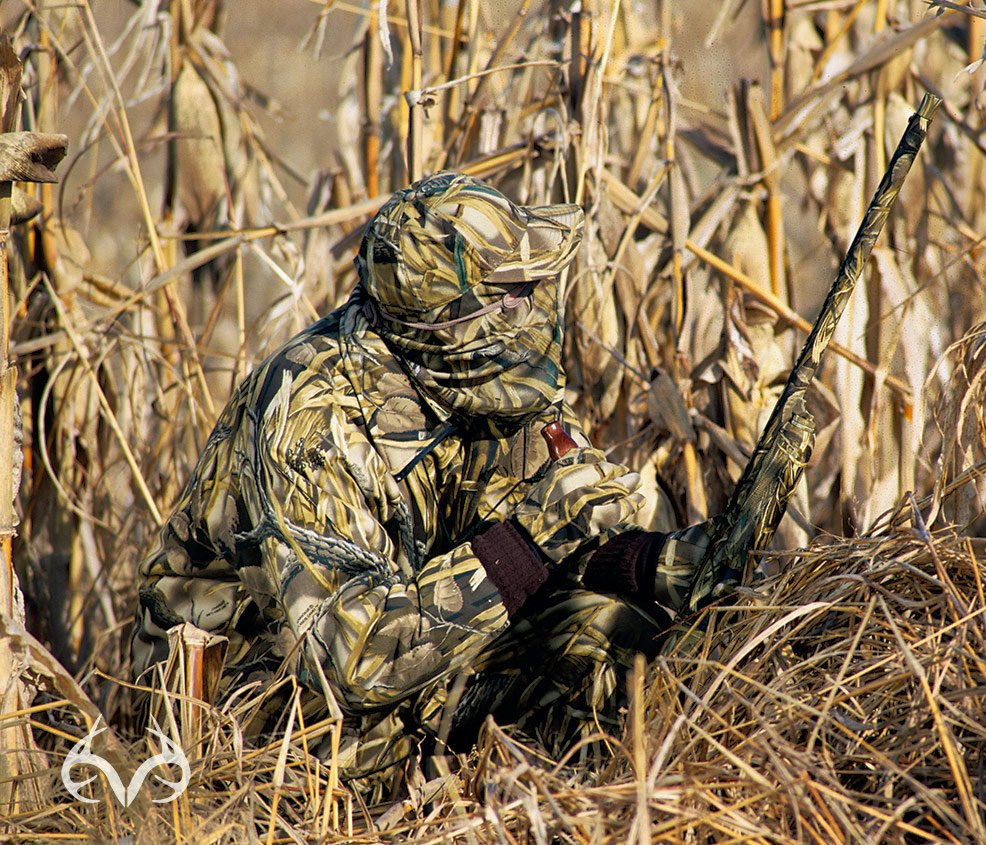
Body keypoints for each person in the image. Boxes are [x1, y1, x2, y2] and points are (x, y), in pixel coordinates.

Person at [131, 172, 711, 793]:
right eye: (509, 294)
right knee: (585, 644)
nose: (530, 310)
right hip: (256, 710)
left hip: (401, 658)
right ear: (444, 315)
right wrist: (529, 543)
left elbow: (539, 526)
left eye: (532, 289)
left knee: (632, 635)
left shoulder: (483, 376)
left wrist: (647, 563)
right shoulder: (309, 413)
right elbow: (346, 662)